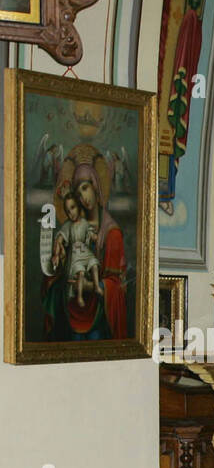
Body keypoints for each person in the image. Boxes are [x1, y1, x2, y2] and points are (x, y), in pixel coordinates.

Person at [41, 146, 127, 342]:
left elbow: (118, 286)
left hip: (99, 314)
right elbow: (56, 273)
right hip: (73, 310)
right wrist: (60, 263)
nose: (83, 198)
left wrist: (90, 286)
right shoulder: (72, 228)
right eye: (78, 193)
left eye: (85, 188)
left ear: (96, 186)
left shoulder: (111, 233)